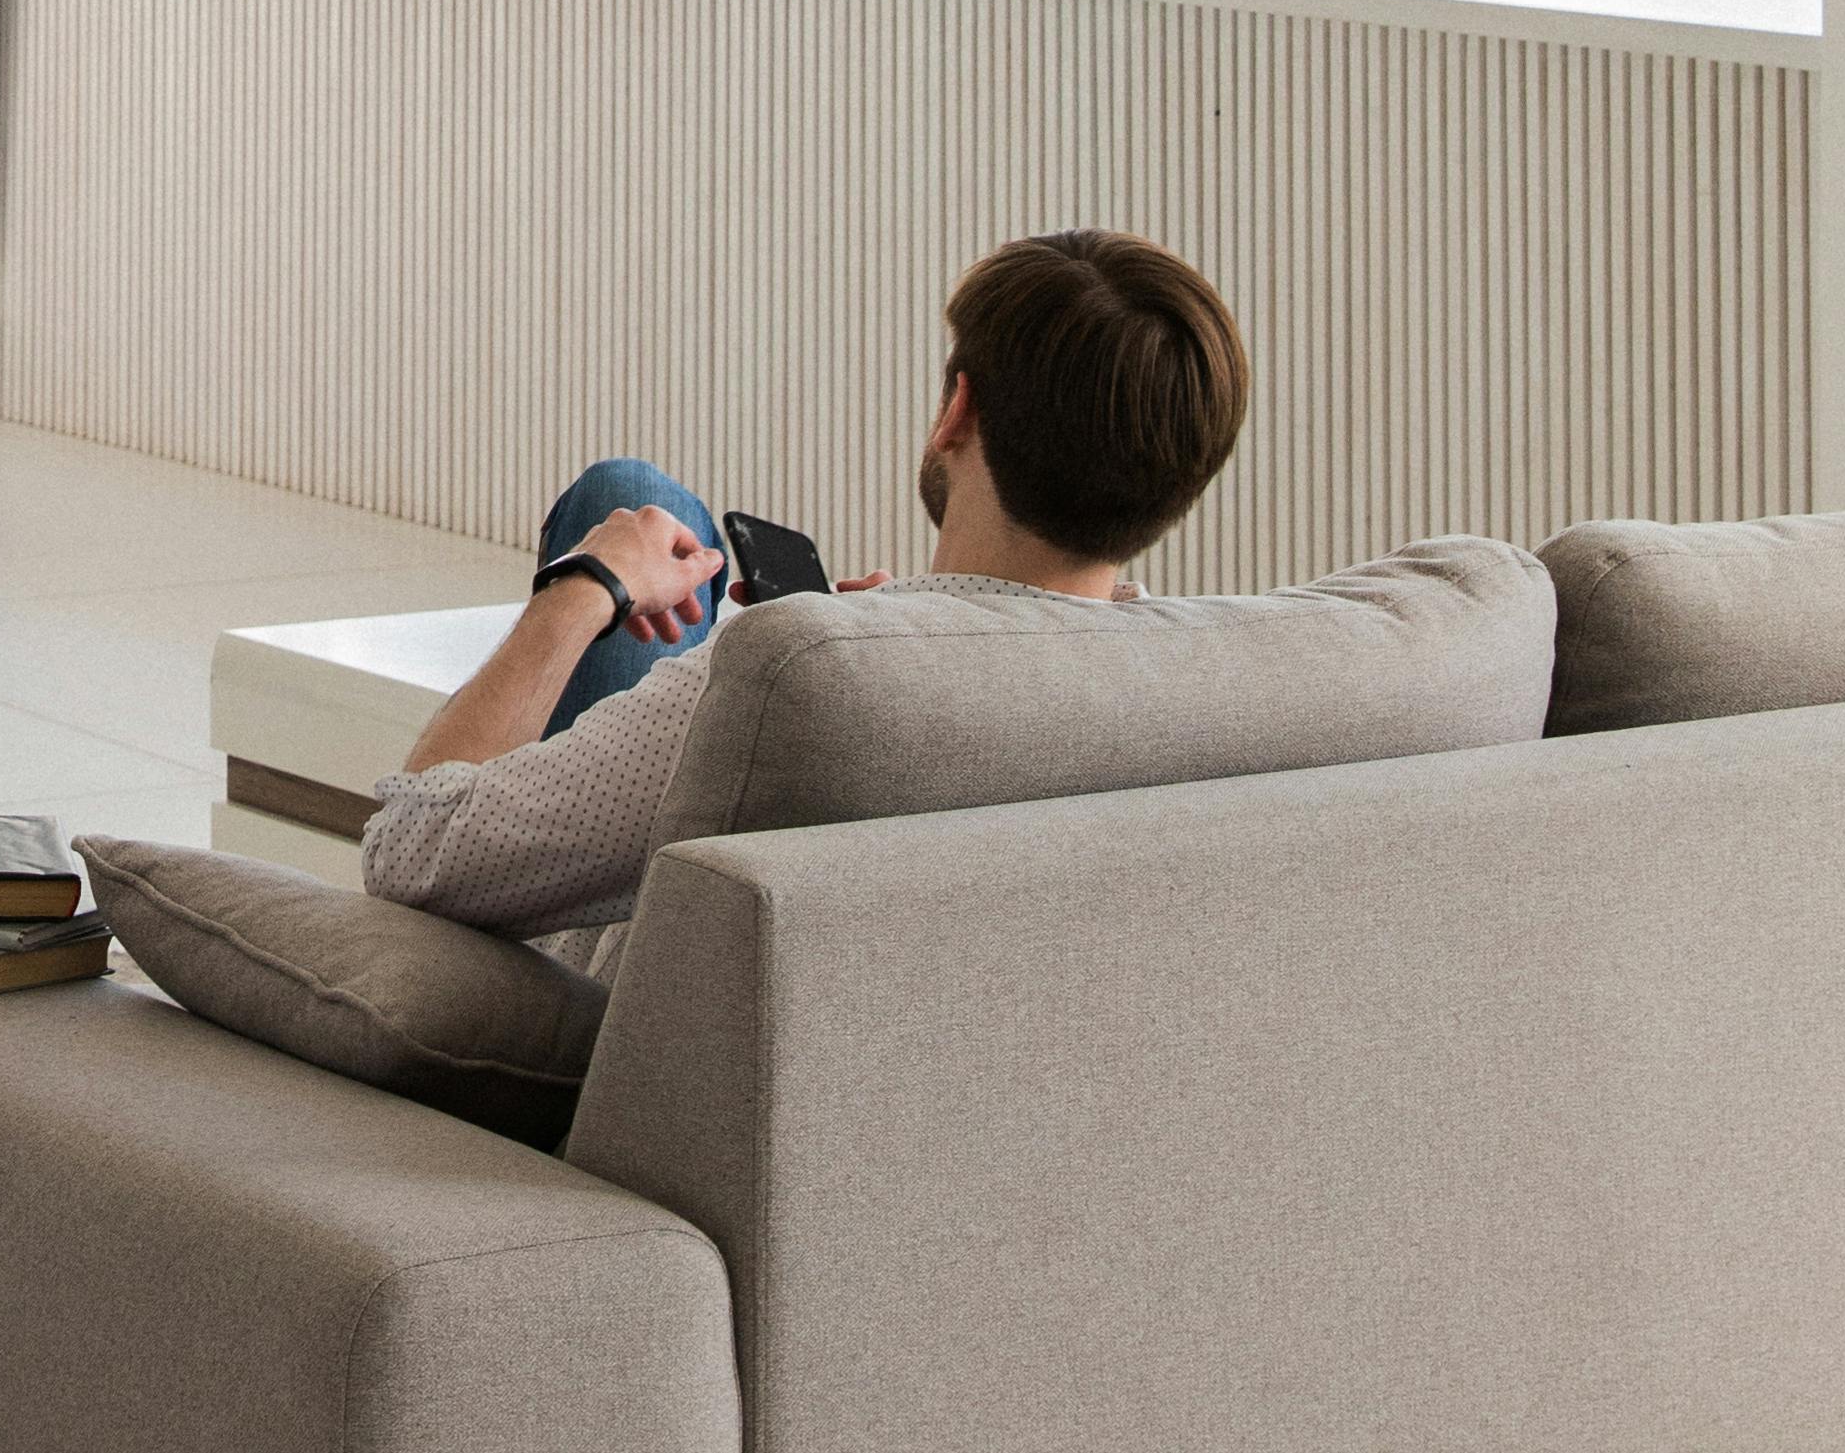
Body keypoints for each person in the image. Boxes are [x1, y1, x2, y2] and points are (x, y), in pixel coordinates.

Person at [366, 229, 1251, 975]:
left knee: (624, 504)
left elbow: (409, 856)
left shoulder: (792, 681)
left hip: (573, 1015)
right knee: (645, 498)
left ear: (957, 411)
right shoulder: (1199, 696)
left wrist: (584, 587)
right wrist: (894, 616)